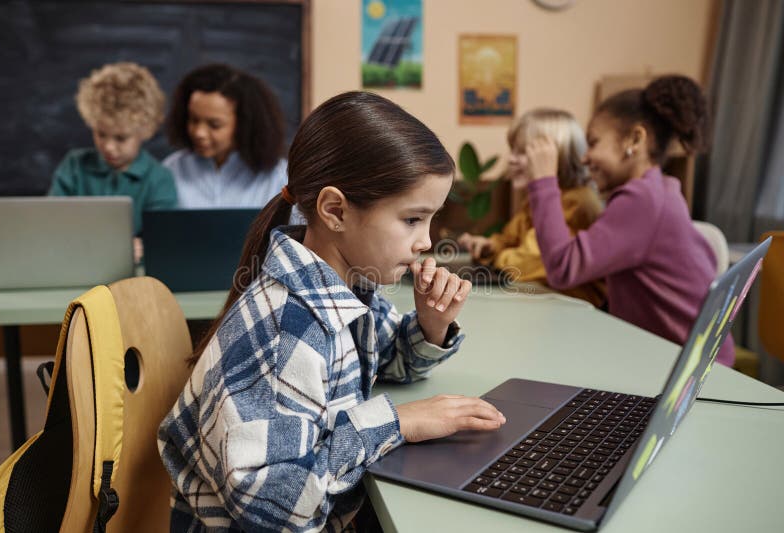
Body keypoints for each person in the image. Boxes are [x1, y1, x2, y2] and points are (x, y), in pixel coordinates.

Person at [157, 91, 506, 531]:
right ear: (335, 210)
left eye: (431, 219)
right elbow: (280, 507)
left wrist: (431, 325)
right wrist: (397, 421)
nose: (426, 241)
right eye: (412, 220)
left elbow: (385, 359)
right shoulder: (288, 327)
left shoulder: (347, 285)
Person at [524, 75, 735, 365]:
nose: (586, 158)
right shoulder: (659, 189)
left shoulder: (642, 199)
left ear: (635, 139)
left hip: (691, 368)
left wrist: (544, 180)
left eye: (594, 142)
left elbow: (563, 267)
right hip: (687, 357)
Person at [458, 109, 606, 307]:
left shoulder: (577, 202)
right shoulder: (535, 201)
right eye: (512, 150)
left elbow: (523, 265)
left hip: (575, 311)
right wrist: (491, 246)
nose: (510, 159)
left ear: (556, 157)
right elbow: (511, 239)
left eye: (522, 152)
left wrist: (498, 257)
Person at [49, 61, 177, 243]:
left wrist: (143, 245)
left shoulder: (160, 178)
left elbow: (163, 237)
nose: (109, 147)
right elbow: (50, 221)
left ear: (145, 130)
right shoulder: (74, 166)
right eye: (101, 134)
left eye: (121, 138)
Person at [163, 63, 288, 208]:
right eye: (194, 120)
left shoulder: (277, 176)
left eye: (214, 125)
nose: (199, 133)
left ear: (244, 125)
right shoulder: (172, 169)